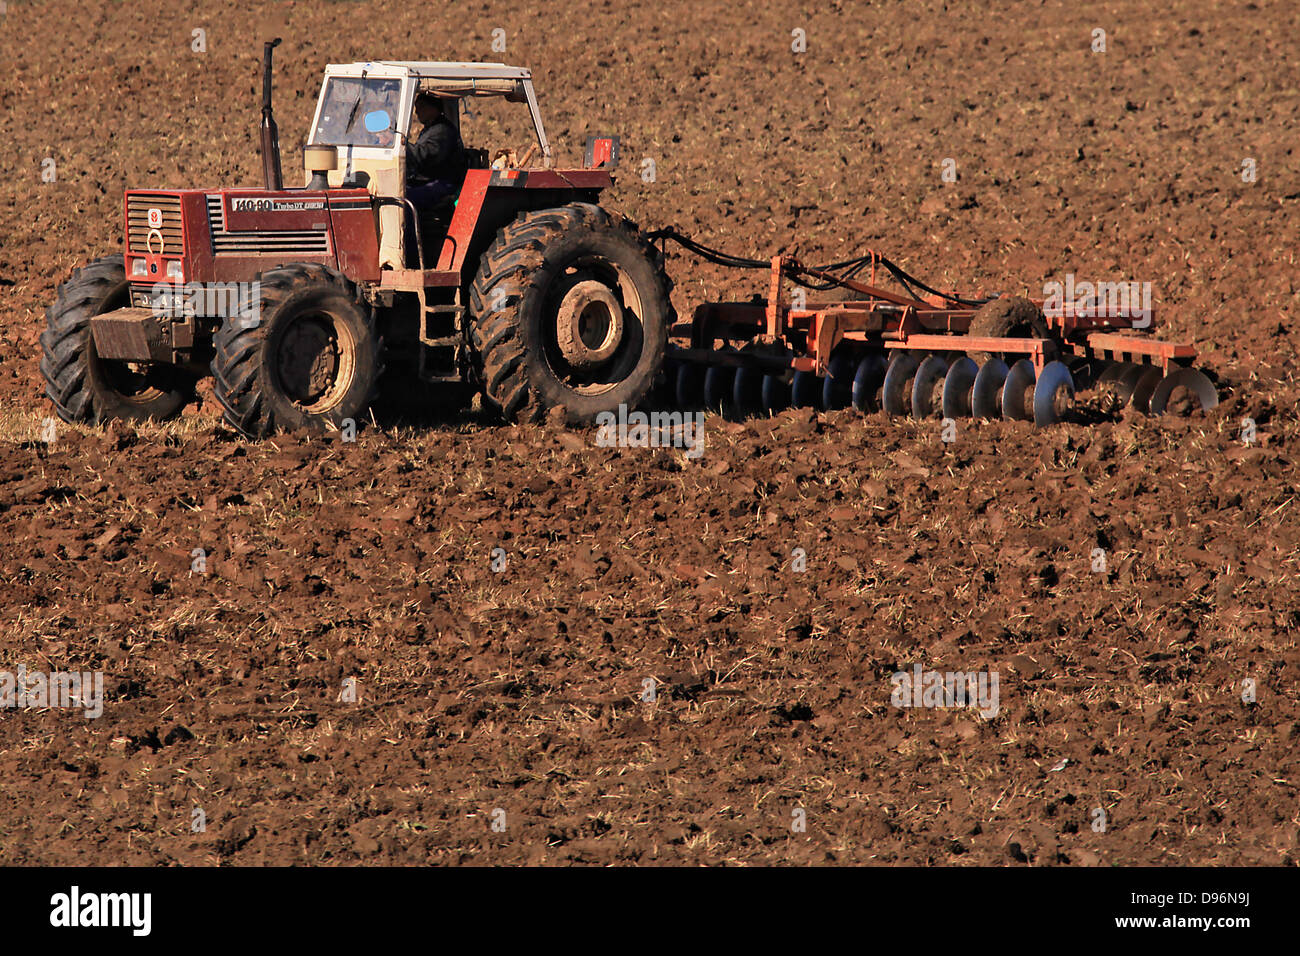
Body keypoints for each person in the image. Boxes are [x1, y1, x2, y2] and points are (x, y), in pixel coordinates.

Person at [406, 92, 467, 208]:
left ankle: (405, 226)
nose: (417, 112)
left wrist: (402, 145)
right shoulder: (430, 129)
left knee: (405, 199)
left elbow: (423, 156)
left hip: (443, 183)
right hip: (429, 180)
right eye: (416, 107)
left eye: (421, 107)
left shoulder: (442, 130)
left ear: (433, 108)